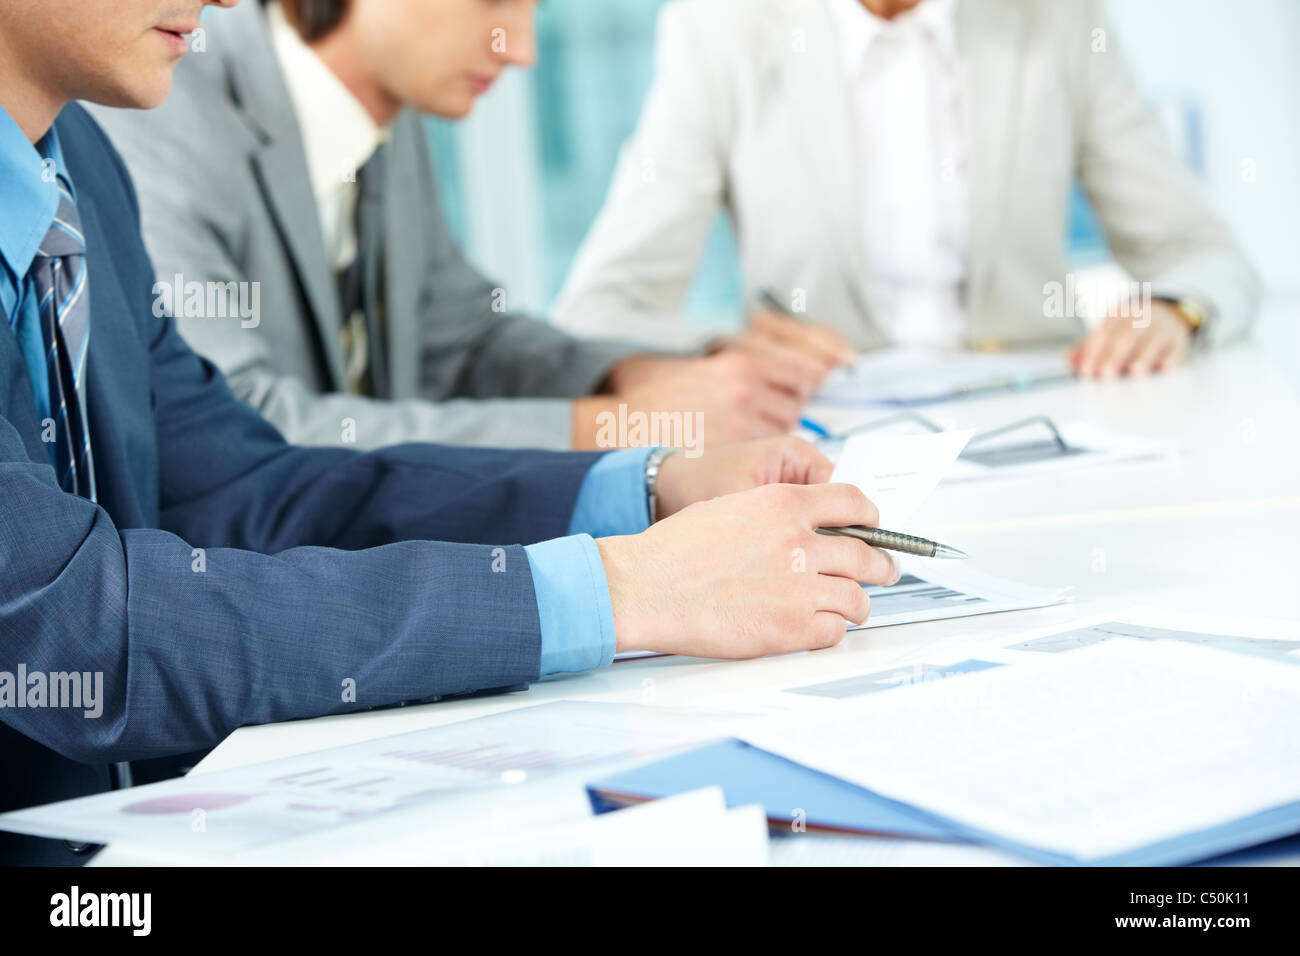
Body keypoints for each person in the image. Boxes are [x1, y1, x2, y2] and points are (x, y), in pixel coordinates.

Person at [0, 0, 896, 865]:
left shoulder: (79, 169)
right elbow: (81, 625)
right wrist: (620, 590)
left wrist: (644, 487)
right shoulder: (151, 139)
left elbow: (245, 491)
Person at [89, 0, 839, 451]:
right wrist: (612, 425)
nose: (522, 50)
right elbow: (240, 428)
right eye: (493, 2)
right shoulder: (164, 103)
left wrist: (629, 374)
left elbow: (463, 337)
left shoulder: (390, 110)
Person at [554, 0, 1259, 379]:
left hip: (1050, 412)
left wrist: (1176, 307)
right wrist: (719, 348)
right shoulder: (719, 30)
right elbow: (599, 308)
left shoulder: (1057, 18)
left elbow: (1205, 254)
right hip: (824, 442)